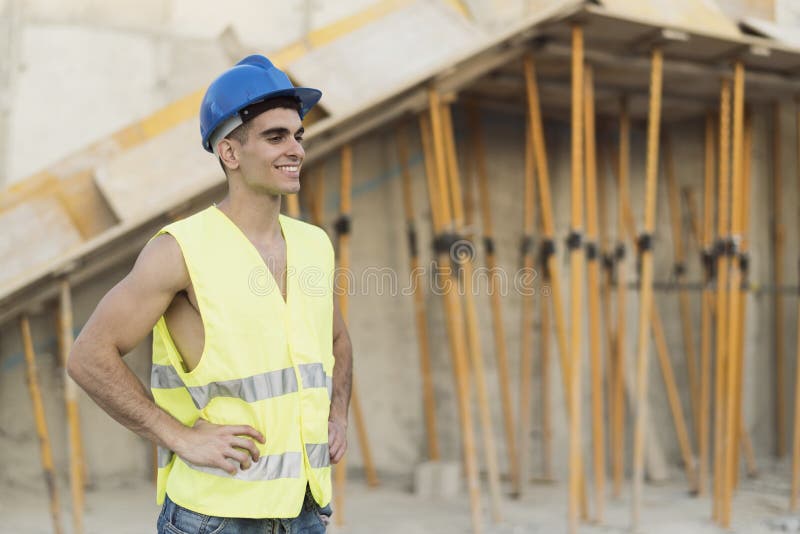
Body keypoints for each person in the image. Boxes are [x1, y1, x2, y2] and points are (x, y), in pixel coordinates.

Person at [68, 55, 352, 534]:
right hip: (213, 517)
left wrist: (337, 414)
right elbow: (88, 356)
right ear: (230, 153)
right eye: (275, 136)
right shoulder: (180, 250)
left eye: (298, 135)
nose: (296, 149)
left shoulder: (313, 245)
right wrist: (177, 436)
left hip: (304, 512)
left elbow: (337, 343)